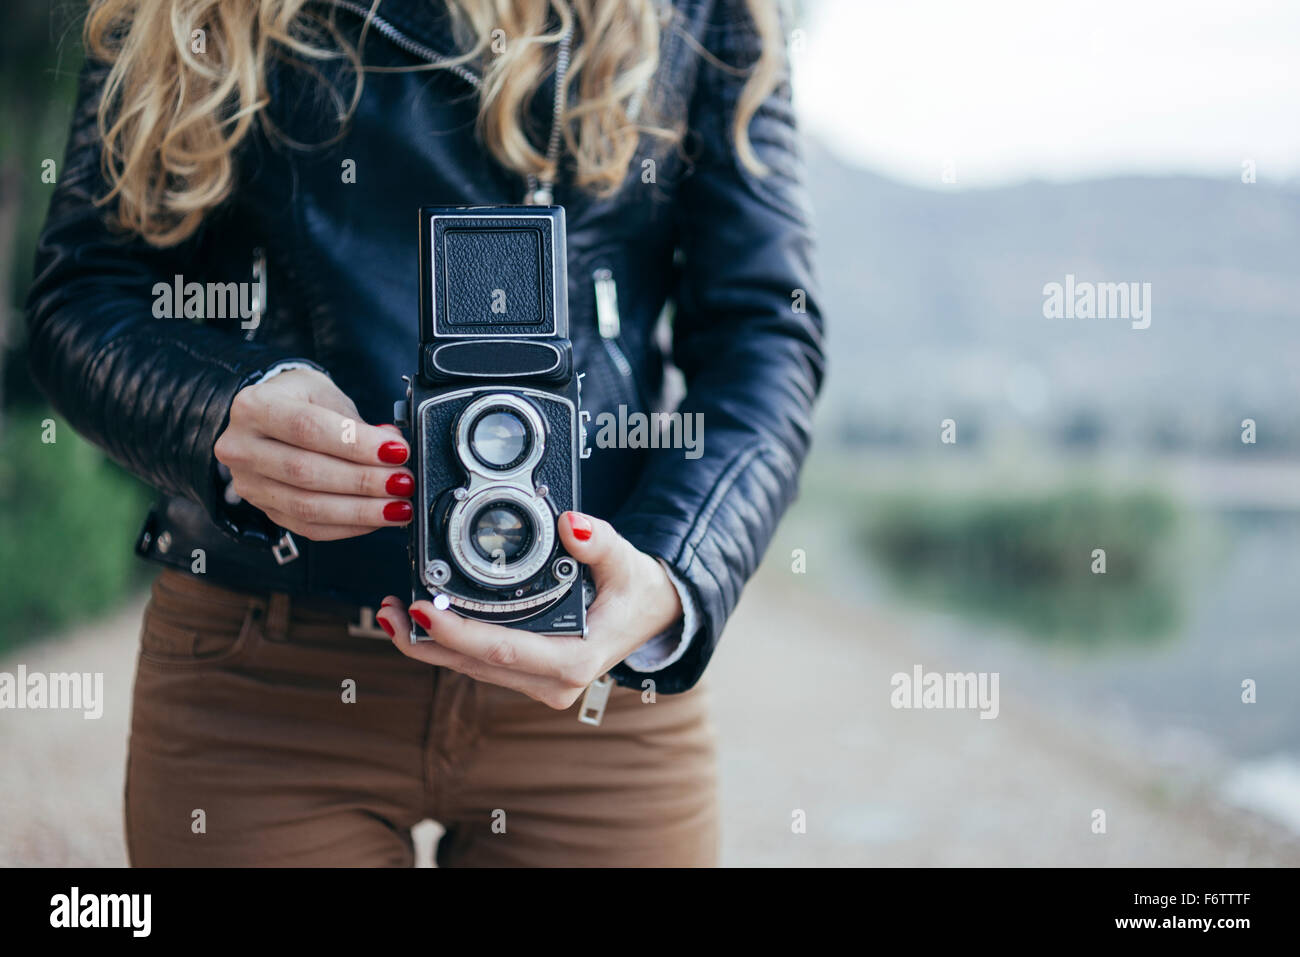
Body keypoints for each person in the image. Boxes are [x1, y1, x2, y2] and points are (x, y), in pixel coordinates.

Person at [26, 0, 824, 867]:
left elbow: (762, 331)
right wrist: (223, 407)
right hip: (264, 670)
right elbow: (86, 290)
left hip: (596, 671)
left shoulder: (709, 12)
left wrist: (673, 571)